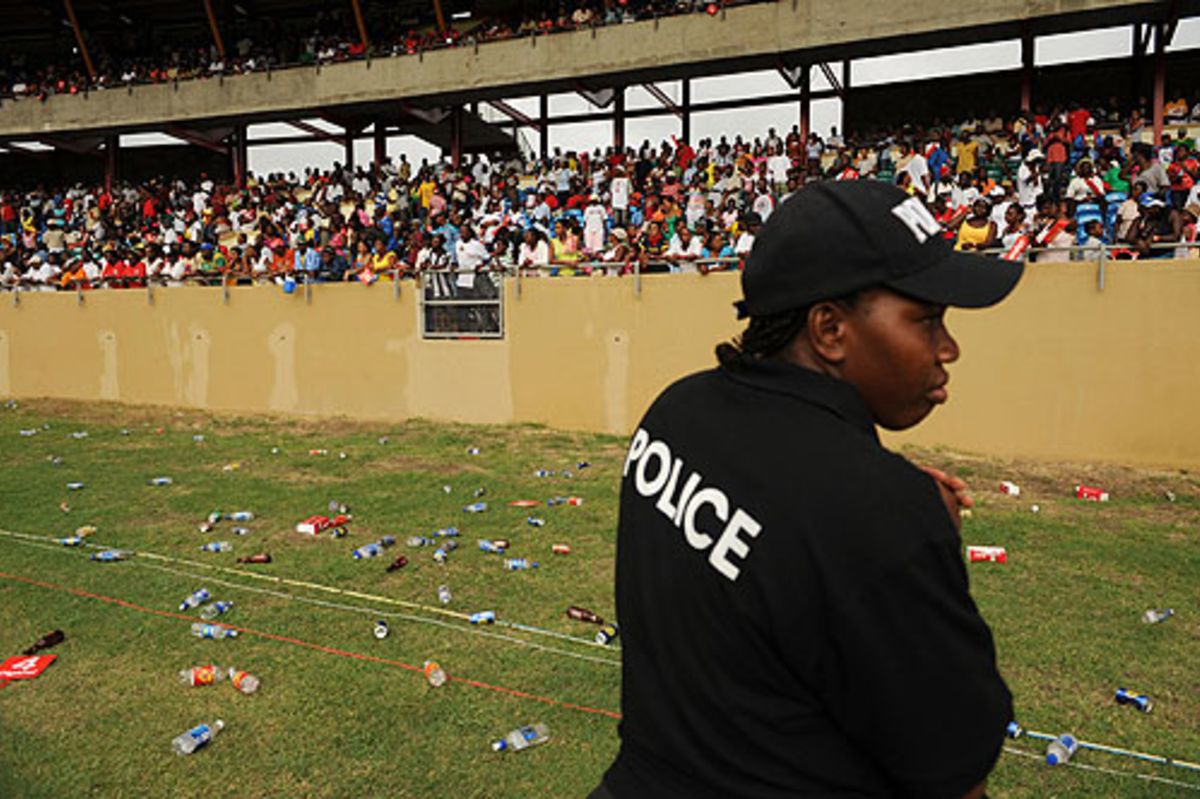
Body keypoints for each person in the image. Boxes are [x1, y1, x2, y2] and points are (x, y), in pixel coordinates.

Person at [593, 181, 1018, 799]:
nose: (948, 347)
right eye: (926, 319)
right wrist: (910, 531)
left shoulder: (677, 411)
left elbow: (773, 541)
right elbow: (952, 771)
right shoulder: (881, 511)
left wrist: (884, 510)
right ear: (829, 330)